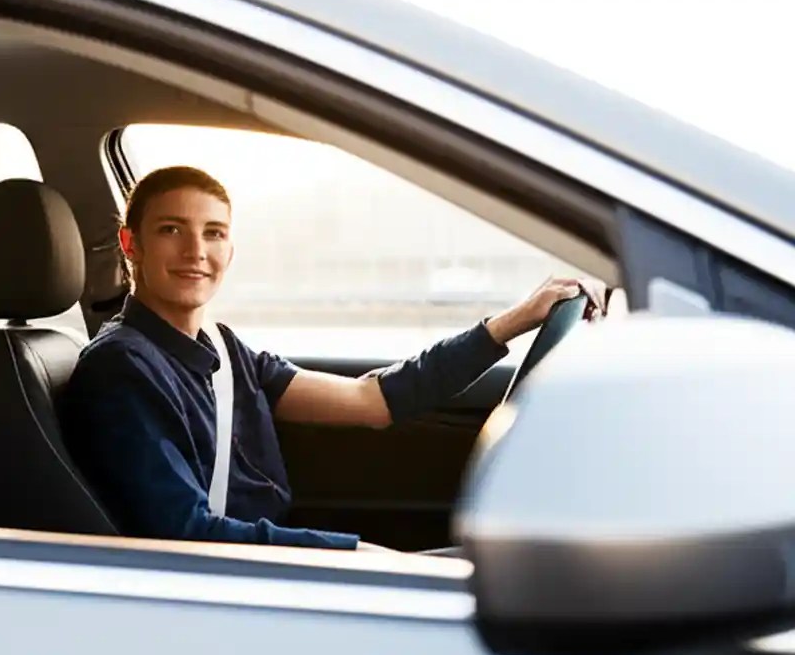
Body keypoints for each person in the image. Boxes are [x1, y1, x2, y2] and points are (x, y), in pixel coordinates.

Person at [58, 166, 605, 550]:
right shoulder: (121, 369)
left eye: (214, 233)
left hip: (259, 565)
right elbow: (186, 535)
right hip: (223, 590)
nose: (196, 251)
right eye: (172, 230)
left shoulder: (225, 349)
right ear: (131, 245)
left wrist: (513, 321)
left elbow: (371, 400)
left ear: (230, 248)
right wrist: (351, 555)